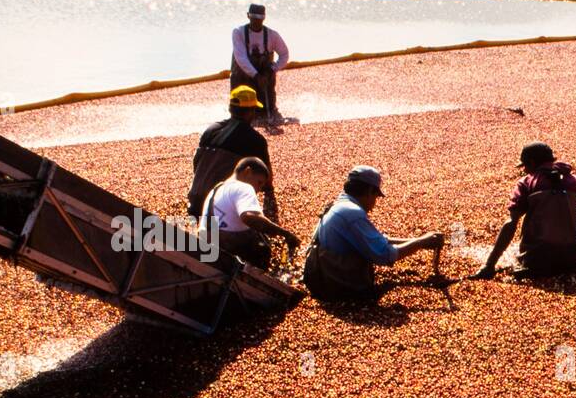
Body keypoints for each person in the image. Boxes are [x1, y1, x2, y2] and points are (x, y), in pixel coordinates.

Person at [470, 142, 576, 281]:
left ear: (531, 163)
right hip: (573, 259)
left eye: (524, 166)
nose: (524, 170)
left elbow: (511, 223)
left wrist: (489, 265)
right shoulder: (571, 180)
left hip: (536, 260)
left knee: (522, 238)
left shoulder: (526, 183)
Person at [303, 166, 444, 302]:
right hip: (336, 288)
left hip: (321, 280)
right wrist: (420, 243)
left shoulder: (338, 204)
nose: (374, 204)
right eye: (376, 196)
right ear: (370, 191)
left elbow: (379, 241)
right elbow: (385, 255)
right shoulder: (353, 214)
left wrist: (418, 239)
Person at [187, 85, 277, 219]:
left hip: (195, 201)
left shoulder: (210, 130)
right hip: (218, 207)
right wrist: (269, 193)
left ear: (231, 109)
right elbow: (266, 179)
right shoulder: (255, 140)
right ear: (251, 111)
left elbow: (197, 165)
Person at [201, 157, 299, 269]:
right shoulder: (243, 187)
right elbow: (249, 217)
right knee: (263, 243)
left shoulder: (216, 190)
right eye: (259, 183)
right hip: (229, 255)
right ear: (247, 171)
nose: (258, 190)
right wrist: (285, 234)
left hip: (207, 251)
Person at [230, 3, 289, 124]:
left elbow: (284, 54)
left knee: (266, 108)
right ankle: (237, 114)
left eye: (259, 19)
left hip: (265, 74)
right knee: (241, 108)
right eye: (254, 19)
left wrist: (273, 69)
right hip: (243, 75)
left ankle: (269, 110)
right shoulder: (238, 33)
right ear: (248, 16)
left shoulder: (272, 35)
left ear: (264, 18)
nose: (257, 22)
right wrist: (256, 76)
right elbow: (241, 58)